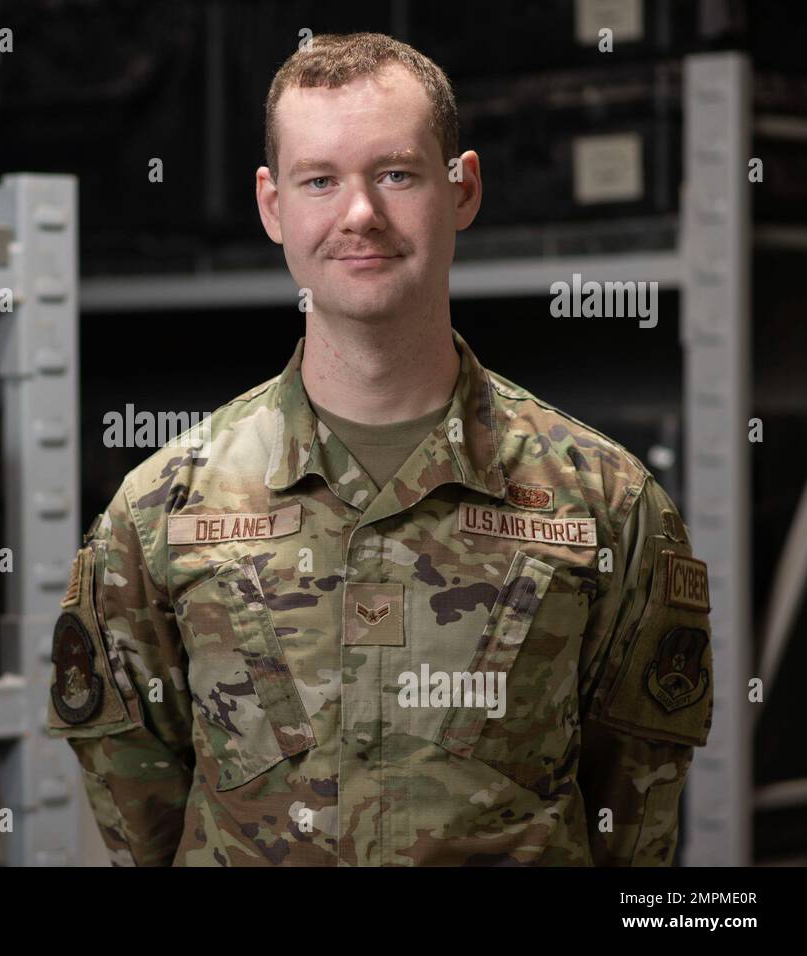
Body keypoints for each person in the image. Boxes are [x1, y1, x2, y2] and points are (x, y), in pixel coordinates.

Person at [46, 32, 713, 866]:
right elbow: (141, 804)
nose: (359, 213)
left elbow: (634, 813)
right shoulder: (159, 510)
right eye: (319, 180)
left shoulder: (608, 503)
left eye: (396, 173)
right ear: (272, 205)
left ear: (462, 189)